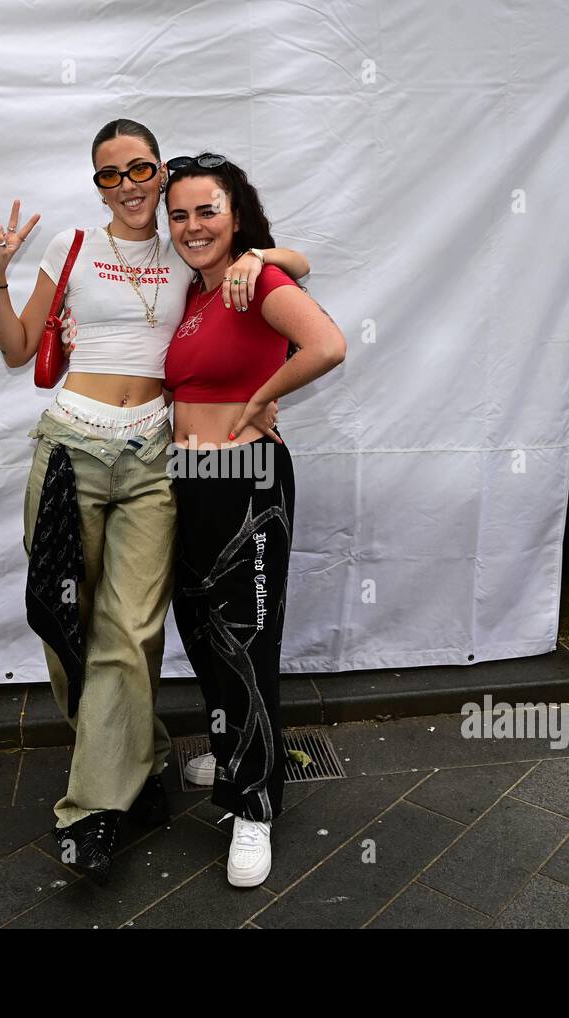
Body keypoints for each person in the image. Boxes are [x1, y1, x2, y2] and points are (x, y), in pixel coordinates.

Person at [0, 121, 310, 884]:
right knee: (65, 622)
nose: (128, 184)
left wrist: (262, 255)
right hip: (70, 448)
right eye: (109, 174)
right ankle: (144, 753)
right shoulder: (70, 247)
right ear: (96, 184)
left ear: (161, 175)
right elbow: (14, 348)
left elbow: (287, 268)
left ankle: (94, 810)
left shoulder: (190, 252)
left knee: (130, 631)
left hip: (152, 457)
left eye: (141, 169)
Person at [163, 154, 347, 887]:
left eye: (207, 210)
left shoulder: (255, 277)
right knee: (199, 624)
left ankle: (256, 805)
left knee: (247, 639)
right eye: (179, 214)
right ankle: (229, 742)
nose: (191, 226)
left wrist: (260, 396)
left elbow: (327, 345)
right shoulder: (197, 293)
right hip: (187, 476)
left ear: (235, 213)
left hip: (245, 478)